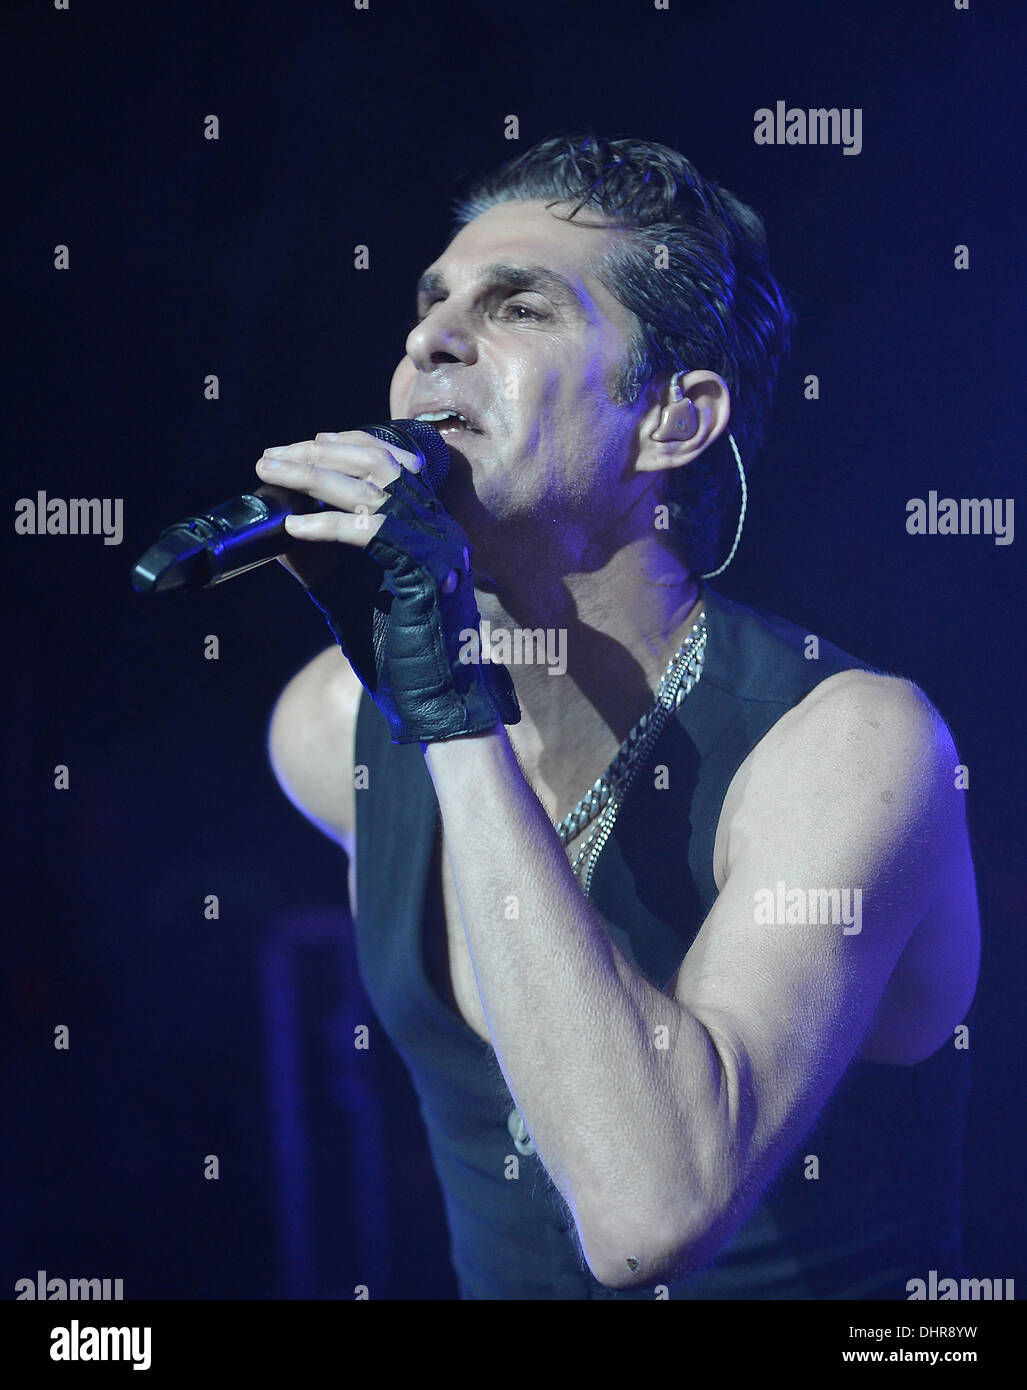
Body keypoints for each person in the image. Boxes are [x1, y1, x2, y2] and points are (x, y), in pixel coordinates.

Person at [257, 134, 980, 1300]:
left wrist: (449, 708)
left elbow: (648, 1216)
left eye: (519, 308)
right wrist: (435, 695)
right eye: (431, 304)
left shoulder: (855, 745)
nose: (428, 341)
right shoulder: (330, 724)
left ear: (672, 420)